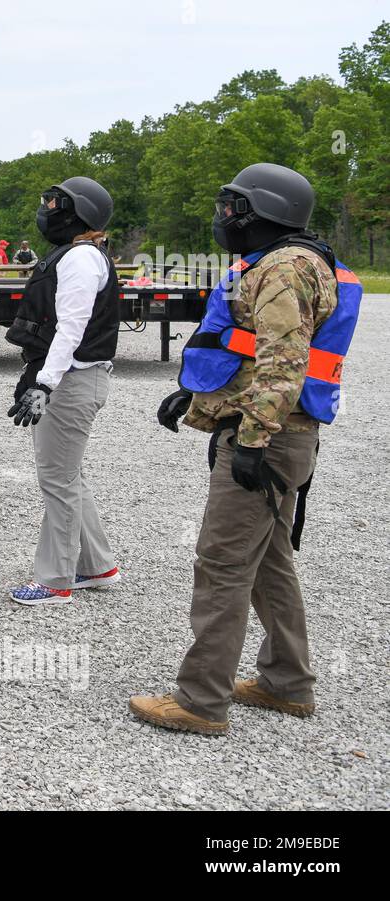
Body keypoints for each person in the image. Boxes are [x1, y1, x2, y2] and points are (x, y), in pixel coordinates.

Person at [131, 163, 361, 735]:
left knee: (223, 564)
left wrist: (254, 441)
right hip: (286, 433)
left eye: (232, 206)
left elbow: (284, 362)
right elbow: (247, 350)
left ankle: (200, 701)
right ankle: (288, 684)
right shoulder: (291, 261)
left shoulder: (284, 269)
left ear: (267, 212)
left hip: (270, 437)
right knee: (270, 565)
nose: (223, 217)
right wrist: (193, 395)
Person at [3, 177, 122, 605]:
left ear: (78, 212)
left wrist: (44, 384)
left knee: (56, 478)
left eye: (54, 202)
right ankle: (97, 565)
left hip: (73, 379)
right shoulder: (80, 255)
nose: (47, 207)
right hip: (75, 376)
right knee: (70, 475)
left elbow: (71, 328)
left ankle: (55, 580)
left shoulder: (80, 259)